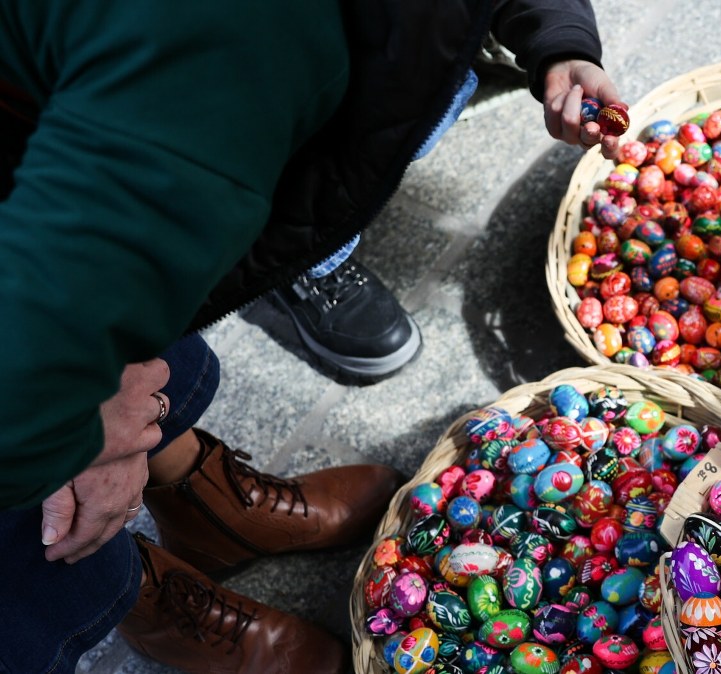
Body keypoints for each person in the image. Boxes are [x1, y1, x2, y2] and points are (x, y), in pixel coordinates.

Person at [0, 0, 624, 672]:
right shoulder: (198, 45)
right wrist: (87, 428)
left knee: (148, 340)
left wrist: (558, 41)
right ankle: (147, 605)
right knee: (38, 516)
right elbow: (61, 305)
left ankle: (209, 509)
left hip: (112, 115)